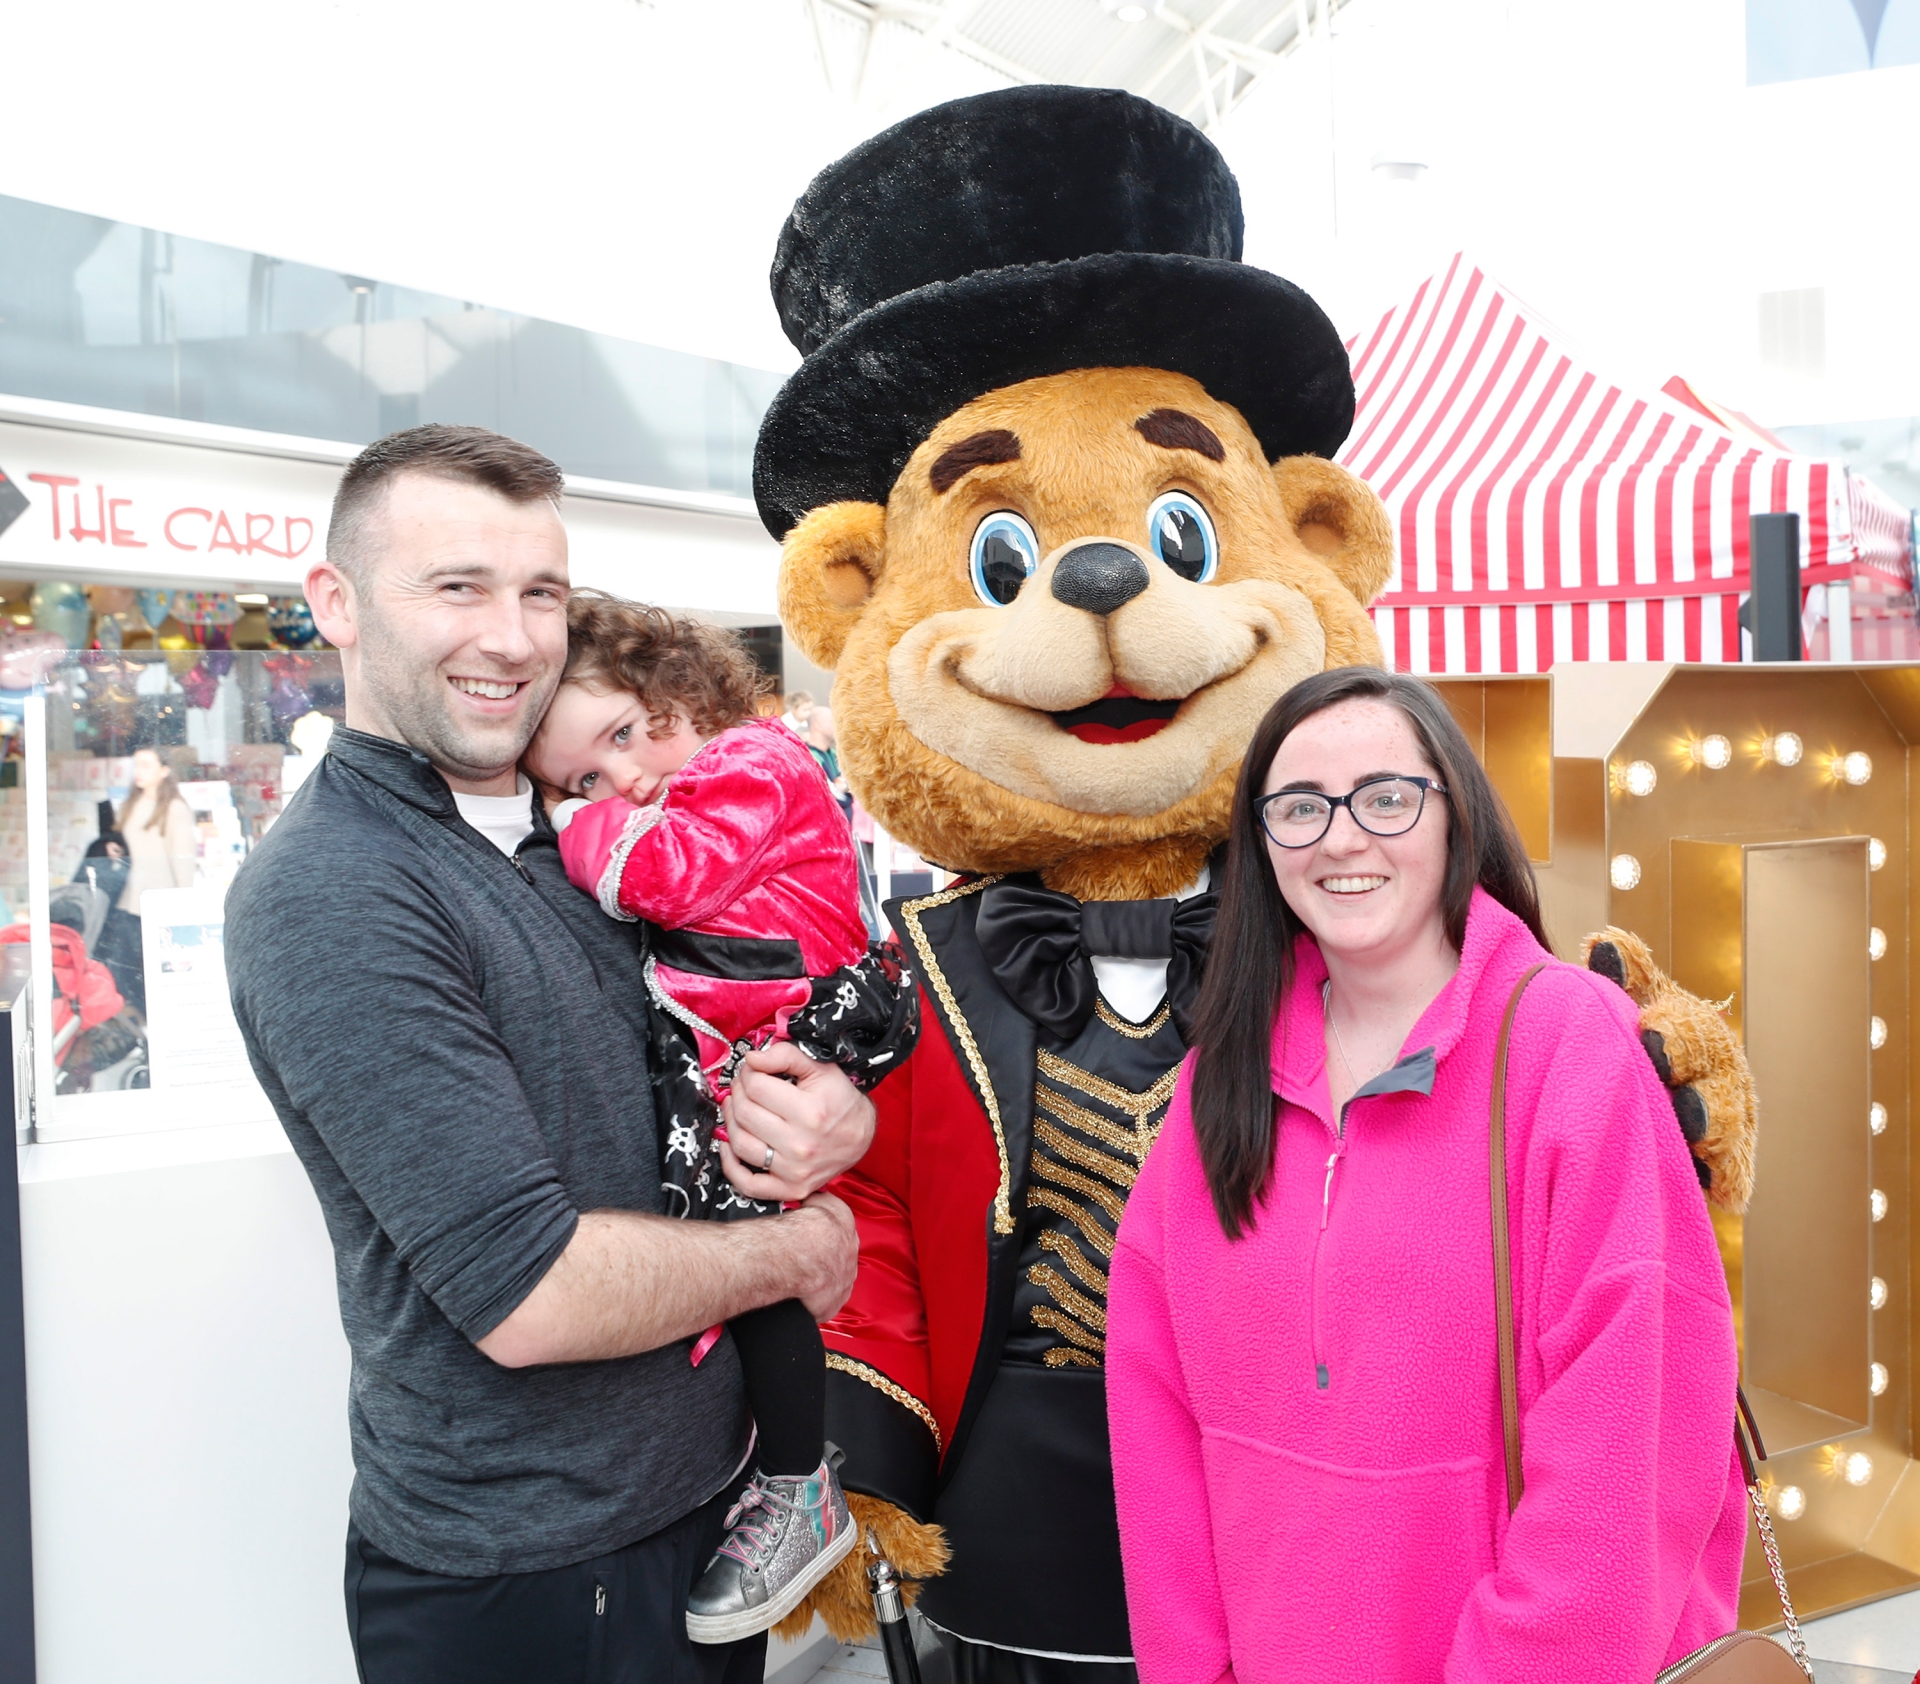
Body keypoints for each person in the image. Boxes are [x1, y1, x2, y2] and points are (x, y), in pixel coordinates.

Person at [225, 424, 873, 1684]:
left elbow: (729, 1033)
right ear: (338, 605)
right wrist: (797, 1249)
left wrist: (828, 1114)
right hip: (529, 1573)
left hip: (704, 1509)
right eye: (456, 586)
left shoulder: (577, 829)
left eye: (541, 594)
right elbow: (528, 1294)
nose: (513, 637)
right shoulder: (337, 889)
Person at [1105, 667, 1745, 1681]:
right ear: (1260, 843)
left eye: (1387, 797)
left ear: (1455, 815)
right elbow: (1155, 1412)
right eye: (1299, 808)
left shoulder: (1569, 1045)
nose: (1343, 837)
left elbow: (1625, 1457)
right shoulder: (1216, 1079)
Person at [523, 592, 915, 1643]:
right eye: (586, 778)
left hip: (791, 1028)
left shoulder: (754, 763)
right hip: (749, 1034)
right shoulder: (705, 776)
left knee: (754, 1256)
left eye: (624, 733)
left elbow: (662, 874)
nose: (627, 778)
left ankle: (801, 1488)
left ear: (680, 686)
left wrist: (576, 824)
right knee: (736, 1256)